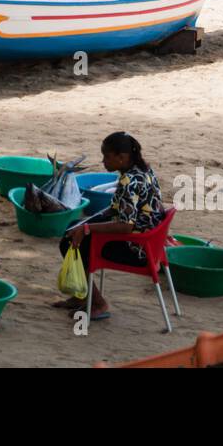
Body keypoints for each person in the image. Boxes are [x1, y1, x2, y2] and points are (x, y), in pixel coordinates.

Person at [54, 131, 167, 321]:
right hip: (150, 240)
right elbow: (116, 208)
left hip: (137, 247)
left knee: (70, 243)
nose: (103, 161)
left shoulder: (129, 181)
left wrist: (88, 229)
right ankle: (84, 296)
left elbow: (125, 226)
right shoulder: (143, 169)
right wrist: (85, 223)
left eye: (107, 156)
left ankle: (98, 302)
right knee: (73, 228)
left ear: (122, 157)